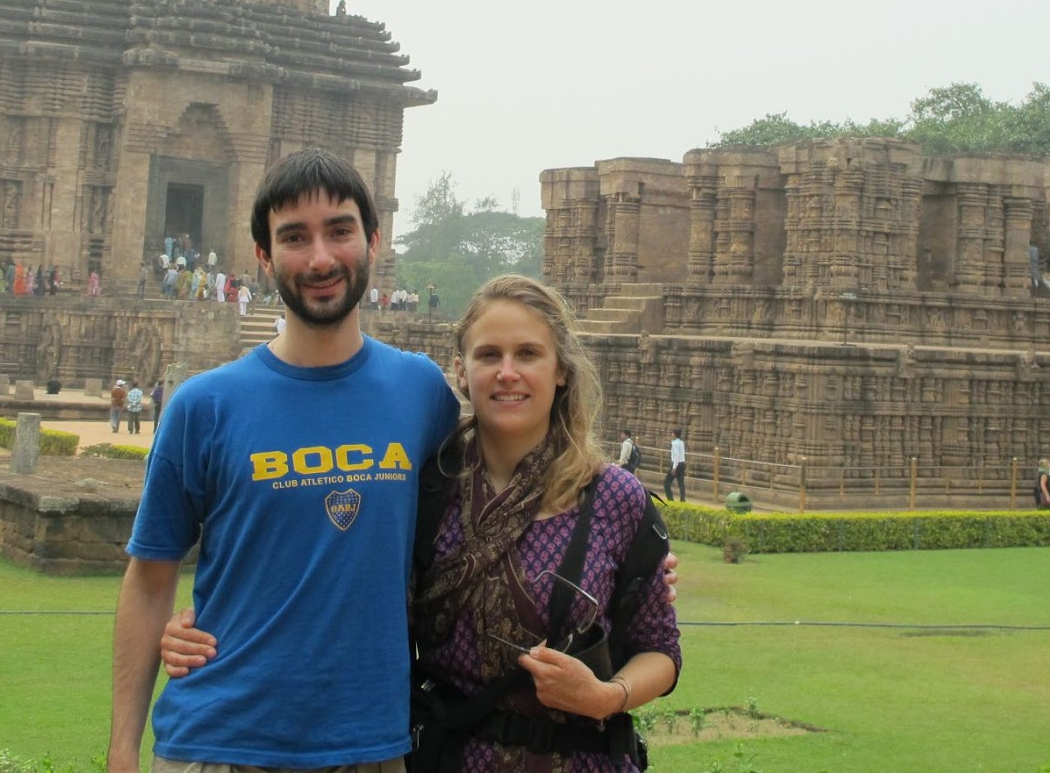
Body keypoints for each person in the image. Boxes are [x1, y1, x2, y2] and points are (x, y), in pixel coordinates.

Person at [163, 275, 682, 773]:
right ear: (460, 371)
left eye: (528, 354)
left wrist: (605, 696)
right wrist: (206, 624)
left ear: (561, 369)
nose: (507, 372)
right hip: (447, 754)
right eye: (488, 355)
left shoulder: (612, 498)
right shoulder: (426, 481)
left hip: (577, 756)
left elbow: (659, 647)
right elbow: (332, 560)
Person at [109, 150, 464, 773]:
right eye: (294, 238)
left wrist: (630, 553)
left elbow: (498, 507)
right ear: (264, 257)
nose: (321, 259)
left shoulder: (421, 392)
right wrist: (121, 752)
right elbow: (149, 578)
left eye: (340, 231)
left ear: (373, 241)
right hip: (219, 740)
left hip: (371, 744)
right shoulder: (204, 406)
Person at [664, 428, 687, 502]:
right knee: (681, 482)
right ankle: (682, 499)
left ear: (674, 434)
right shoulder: (681, 442)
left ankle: (670, 499)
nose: (671, 434)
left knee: (667, 483)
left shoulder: (675, 443)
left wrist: (674, 467)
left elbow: (676, 455)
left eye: (672, 433)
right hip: (682, 463)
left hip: (676, 464)